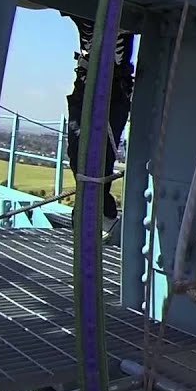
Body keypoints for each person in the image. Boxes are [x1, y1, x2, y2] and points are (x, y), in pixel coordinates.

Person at [63, 13, 135, 237]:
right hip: (86, 84)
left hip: (117, 89)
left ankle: (98, 214)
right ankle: (93, 213)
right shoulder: (80, 10)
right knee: (76, 152)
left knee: (104, 158)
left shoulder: (128, 10)